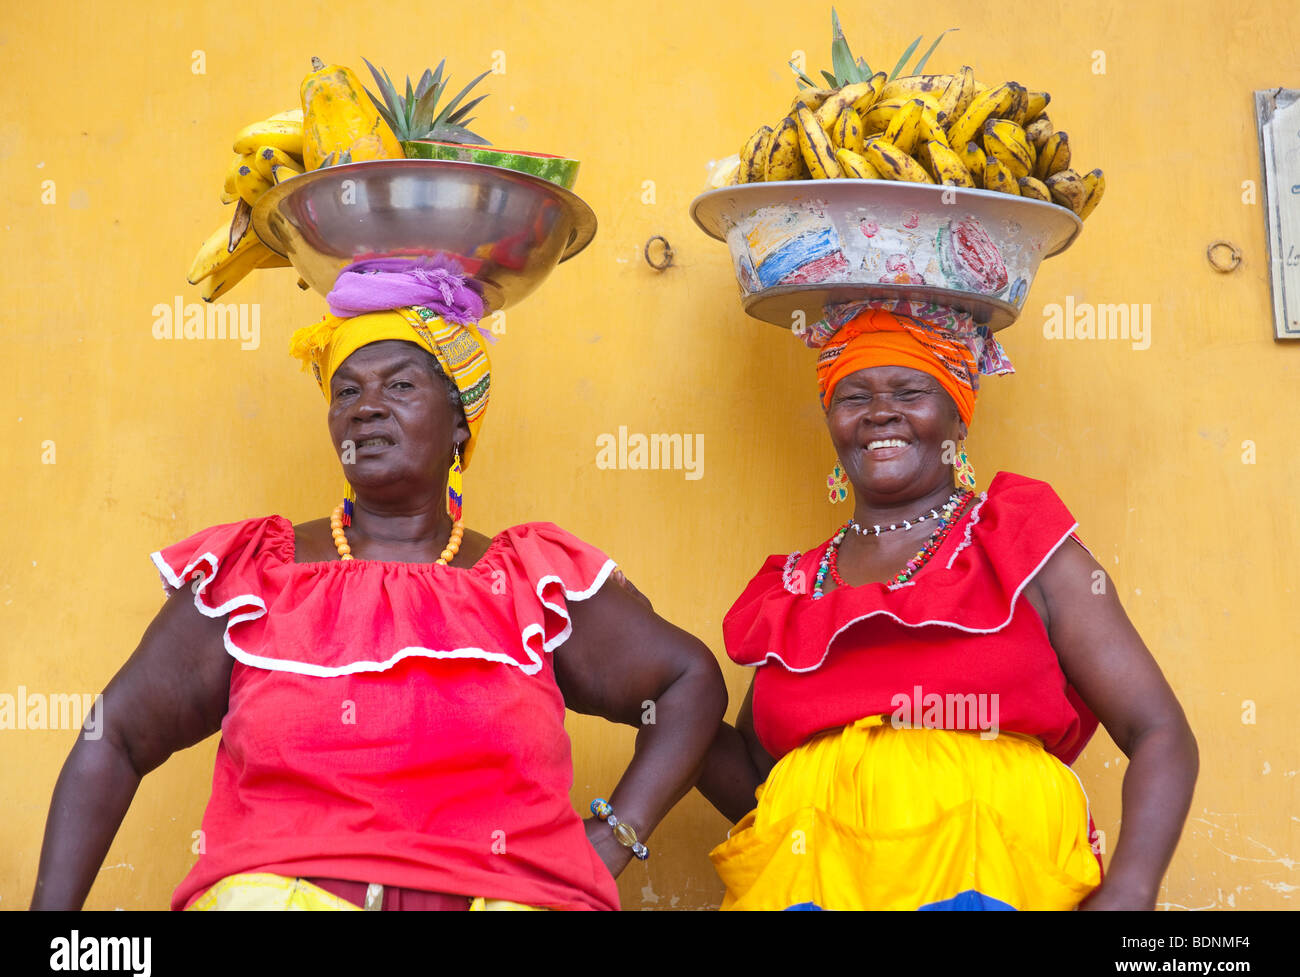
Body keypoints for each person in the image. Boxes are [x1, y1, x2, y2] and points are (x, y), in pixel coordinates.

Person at [32, 263, 726, 911]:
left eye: (399, 386)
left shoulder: (528, 580)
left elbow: (689, 679)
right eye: (347, 390)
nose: (366, 408)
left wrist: (619, 835)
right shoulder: (256, 572)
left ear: (459, 420)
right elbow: (114, 735)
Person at [696, 306, 1198, 911]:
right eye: (854, 396)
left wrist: (1131, 891)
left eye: (910, 391)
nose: (880, 413)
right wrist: (668, 703)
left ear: (958, 417)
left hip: (994, 884)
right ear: (832, 421)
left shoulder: (1021, 544)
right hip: (810, 890)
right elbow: (759, 778)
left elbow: (1160, 731)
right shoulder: (797, 586)